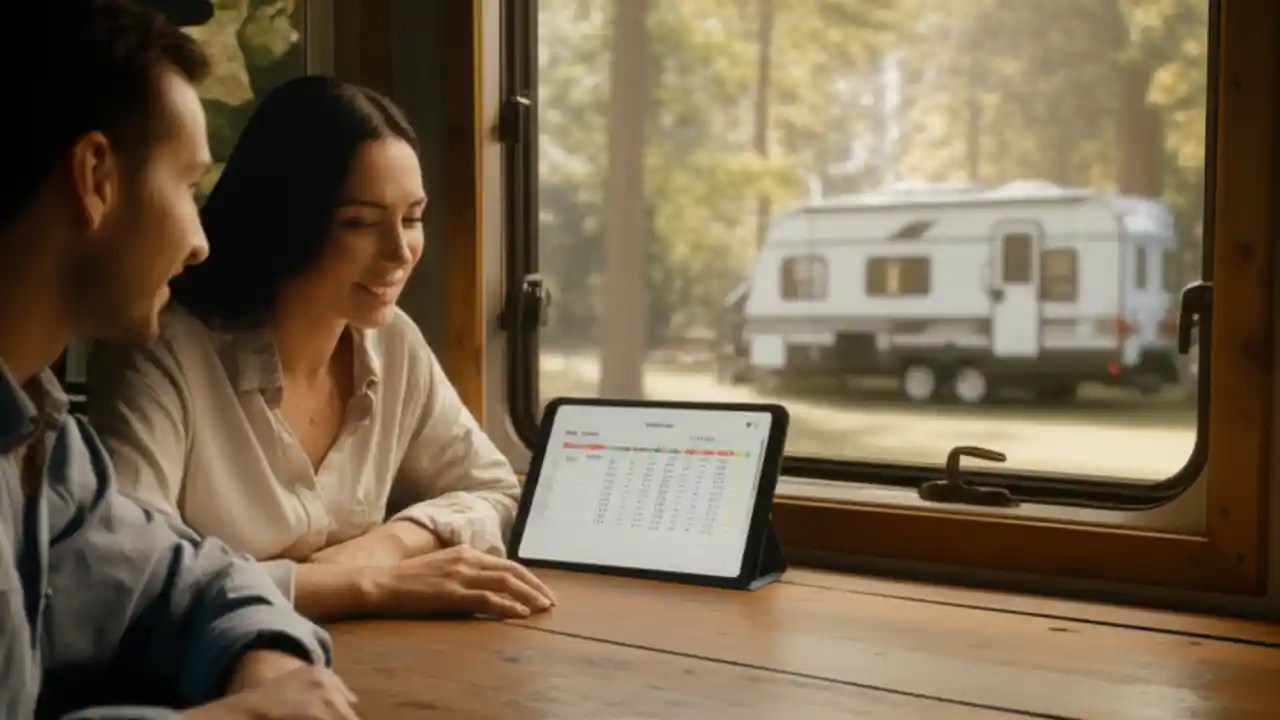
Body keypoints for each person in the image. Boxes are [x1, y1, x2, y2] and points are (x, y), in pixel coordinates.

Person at [0, 1, 361, 718]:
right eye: (188, 186)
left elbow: (187, 579)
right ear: (95, 177)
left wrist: (265, 665)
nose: (199, 241)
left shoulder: (44, 442)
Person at [88, 75, 557, 623]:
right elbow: (136, 578)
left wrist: (384, 548)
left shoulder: (394, 342)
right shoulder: (164, 351)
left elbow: (495, 491)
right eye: (359, 223)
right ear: (287, 219)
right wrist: (364, 585)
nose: (400, 252)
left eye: (412, 218)